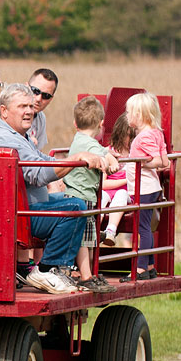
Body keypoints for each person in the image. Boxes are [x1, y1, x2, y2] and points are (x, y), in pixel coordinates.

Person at [0, 84, 109, 295]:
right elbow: (39, 174)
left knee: (70, 197)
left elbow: (43, 160)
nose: (29, 111)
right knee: (75, 207)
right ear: (4, 111)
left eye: (30, 106)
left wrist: (72, 160)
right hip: (17, 217)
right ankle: (46, 269)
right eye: (22, 106)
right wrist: (75, 159)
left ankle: (56, 268)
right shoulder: (6, 139)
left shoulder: (19, 137)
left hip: (25, 210)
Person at [61, 97, 119, 293]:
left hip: (83, 195)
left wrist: (108, 154)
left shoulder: (81, 139)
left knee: (89, 238)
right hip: (81, 197)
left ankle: (89, 274)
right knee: (84, 240)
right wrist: (112, 162)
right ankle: (85, 276)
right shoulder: (89, 144)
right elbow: (103, 157)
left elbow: (100, 150)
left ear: (75, 123)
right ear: (102, 124)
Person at [124, 92, 169, 281]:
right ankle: (150, 266)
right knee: (147, 228)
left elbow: (160, 161)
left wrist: (141, 163)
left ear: (139, 115)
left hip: (143, 189)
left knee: (143, 229)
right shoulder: (157, 133)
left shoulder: (144, 137)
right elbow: (166, 159)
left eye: (129, 113)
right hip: (150, 188)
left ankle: (141, 268)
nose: (126, 116)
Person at [100, 114, 134, 245]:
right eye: (128, 135)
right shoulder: (108, 152)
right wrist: (126, 180)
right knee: (101, 197)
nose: (131, 140)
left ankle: (110, 231)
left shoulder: (135, 154)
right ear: (120, 133)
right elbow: (103, 184)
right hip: (108, 190)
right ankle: (96, 229)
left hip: (125, 193)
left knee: (121, 195)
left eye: (133, 136)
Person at [27, 68, 58, 148]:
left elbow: (38, 153)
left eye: (46, 96)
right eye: (35, 91)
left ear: (51, 99)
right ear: (26, 87)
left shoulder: (41, 118)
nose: (38, 99)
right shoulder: (11, 112)